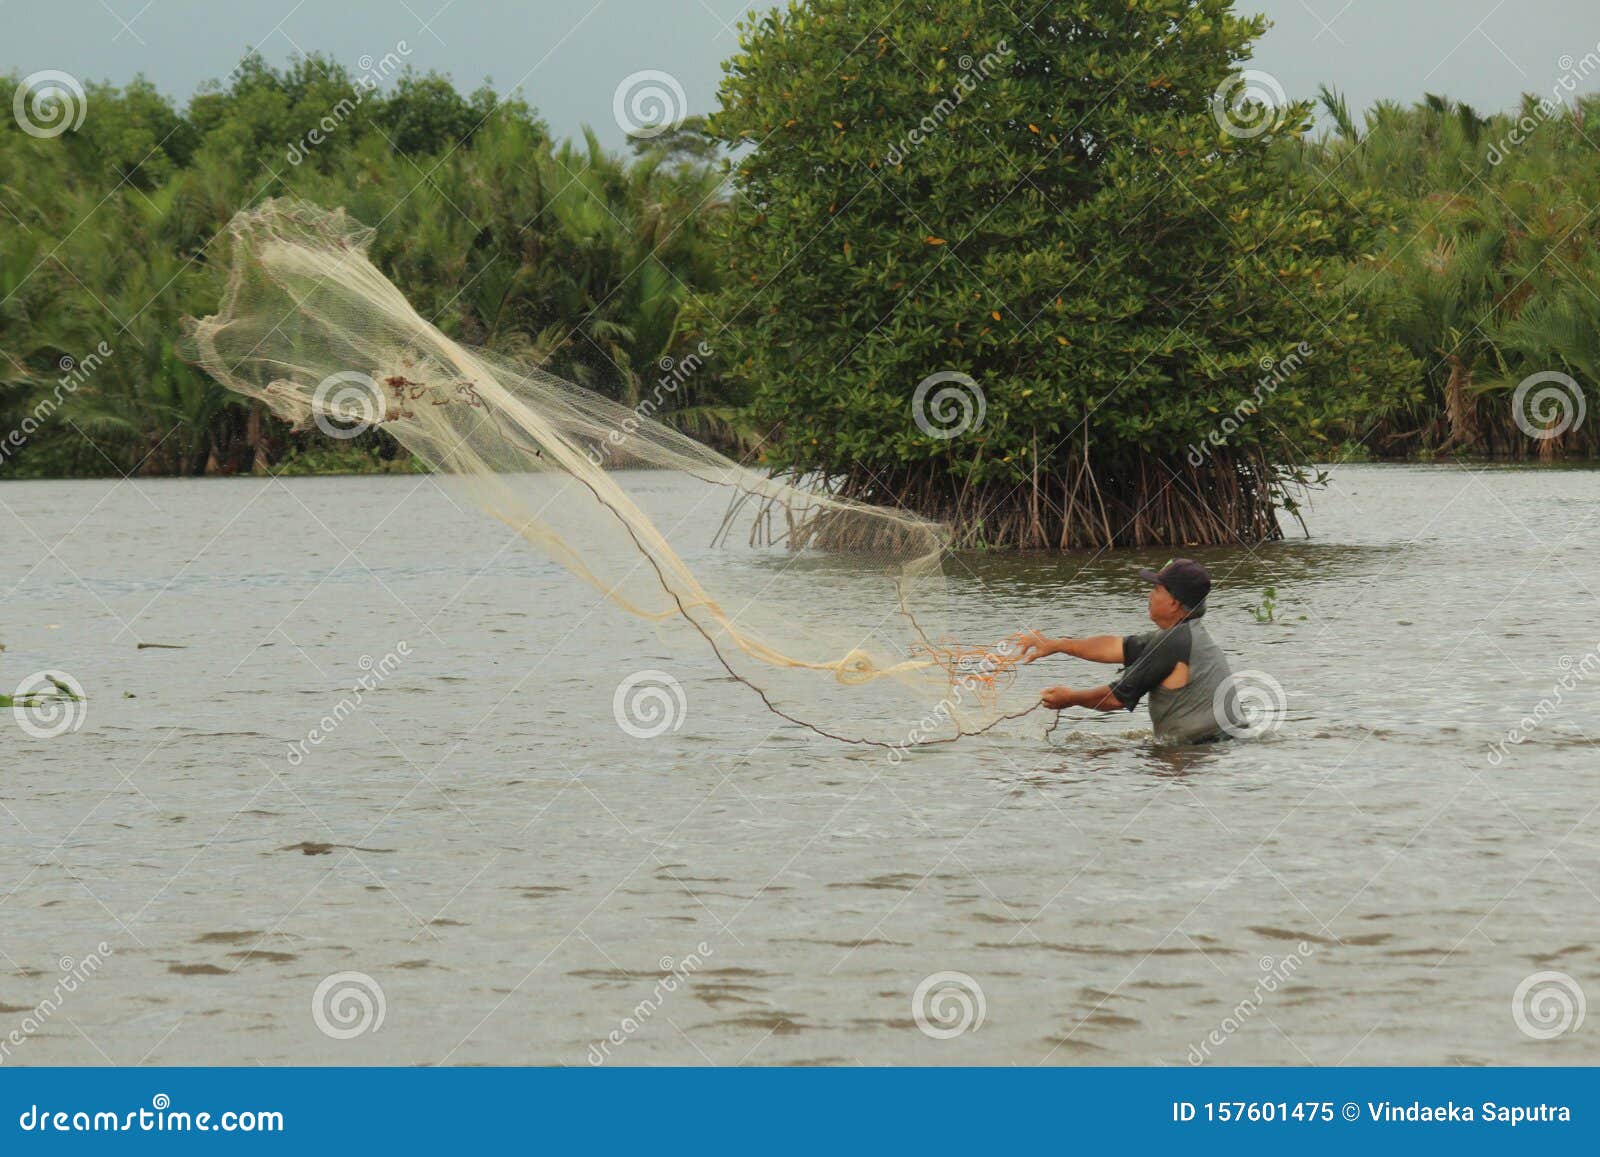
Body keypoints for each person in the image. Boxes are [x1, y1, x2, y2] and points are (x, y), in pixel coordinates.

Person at [1013, 558, 1238, 744]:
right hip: (1222, 745)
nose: (1150, 595)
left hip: (1198, 749)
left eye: (1156, 589)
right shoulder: (1187, 635)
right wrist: (1058, 645)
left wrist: (1070, 699)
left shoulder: (1172, 642)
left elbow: (1116, 698)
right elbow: (1114, 647)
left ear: (1174, 603)